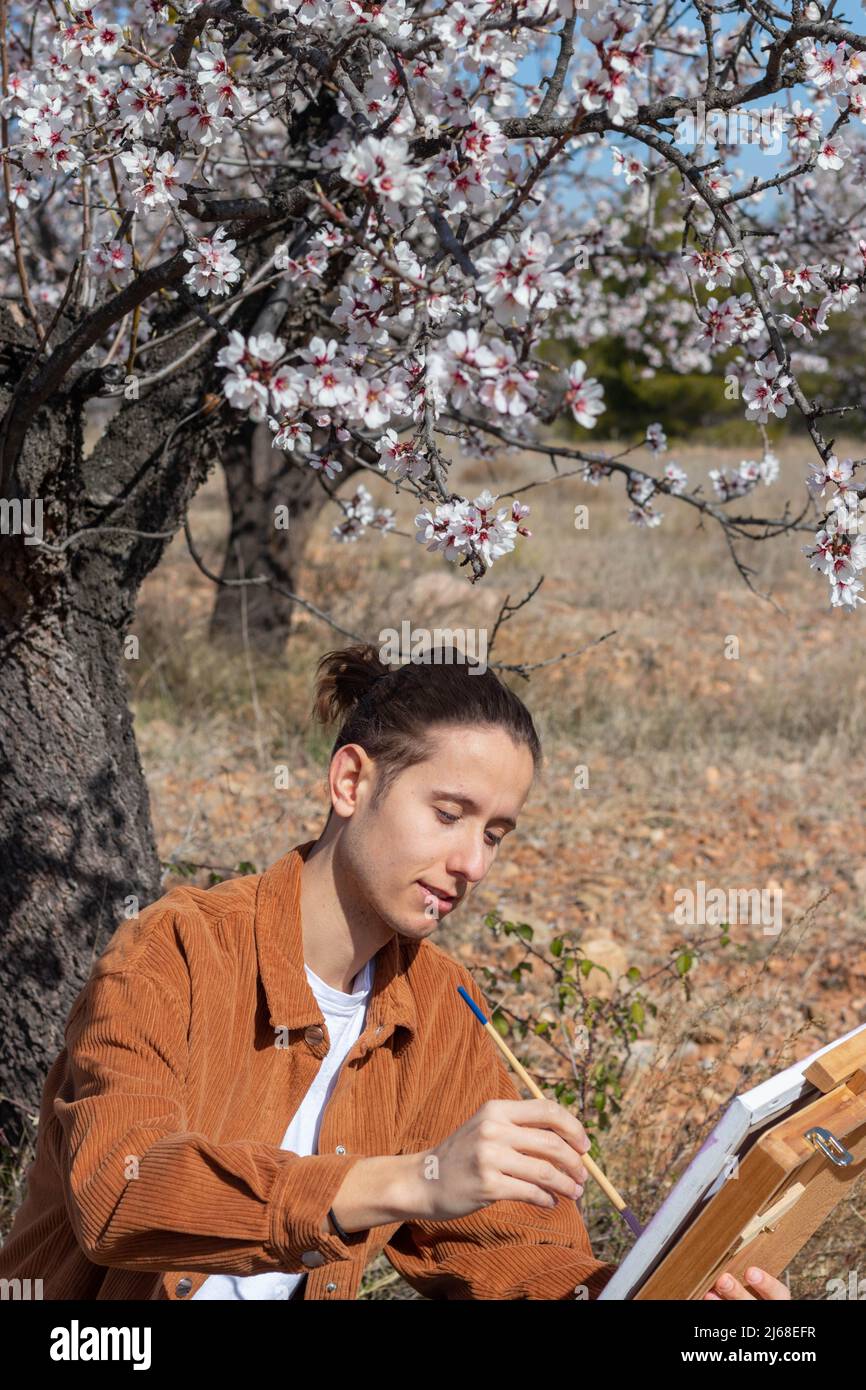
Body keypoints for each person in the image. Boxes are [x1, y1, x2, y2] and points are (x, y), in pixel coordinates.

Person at [0, 643, 790, 1301]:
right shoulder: (175, 949)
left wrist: (651, 1293)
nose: (471, 862)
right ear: (351, 782)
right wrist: (411, 1179)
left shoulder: (442, 1006)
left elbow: (510, 1253)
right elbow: (120, 1193)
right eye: (448, 815)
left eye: (497, 834)